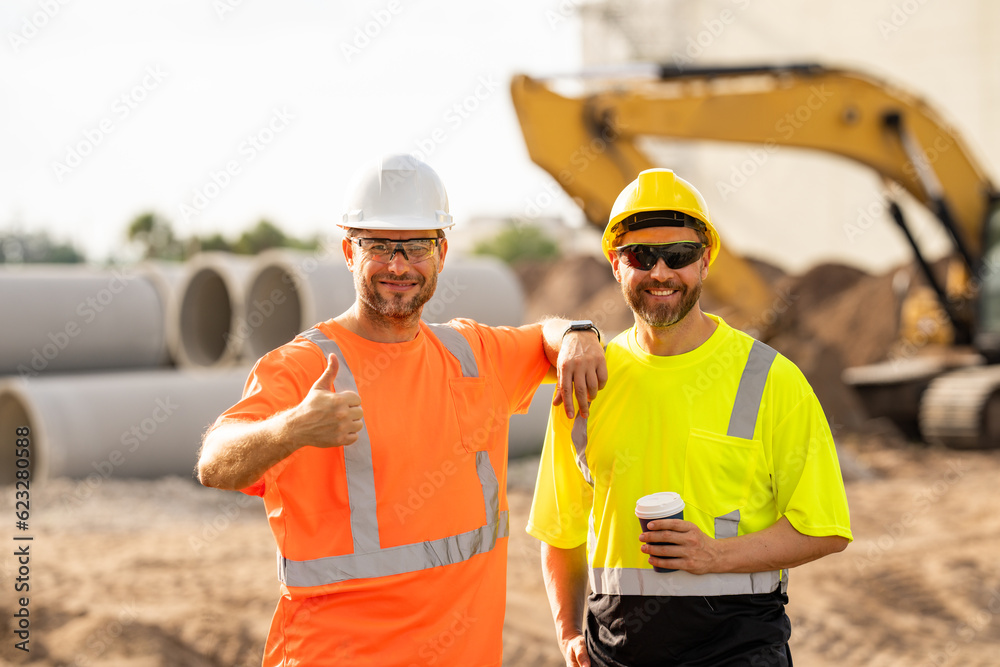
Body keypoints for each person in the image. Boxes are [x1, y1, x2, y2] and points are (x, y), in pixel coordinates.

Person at [197, 154, 607, 667]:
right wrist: (292, 427)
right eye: (380, 246)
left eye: (416, 246)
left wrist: (577, 334)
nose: (399, 265)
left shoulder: (472, 354)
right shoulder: (302, 366)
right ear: (349, 251)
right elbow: (214, 463)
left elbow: (544, 338)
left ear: (441, 253)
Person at [527, 168, 853, 667]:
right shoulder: (587, 384)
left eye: (678, 256)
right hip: (617, 653)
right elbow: (560, 532)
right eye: (641, 256)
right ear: (615, 264)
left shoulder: (770, 378)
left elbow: (825, 528)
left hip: (738, 649)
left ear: (705, 262)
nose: (660, 273)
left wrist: (715, 556)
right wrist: (569, 631)